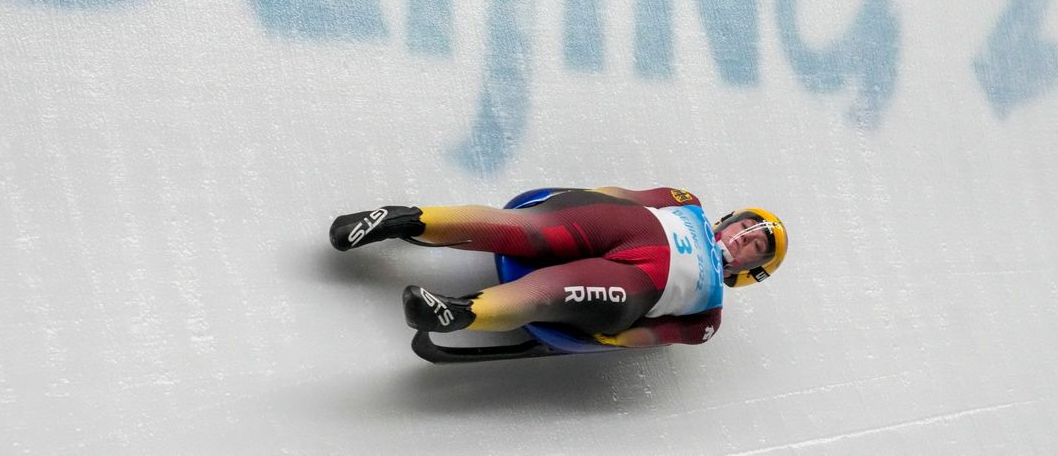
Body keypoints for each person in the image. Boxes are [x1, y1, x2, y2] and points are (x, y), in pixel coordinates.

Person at [328, 186, 787, 347]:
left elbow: (654, 336)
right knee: (525, 230)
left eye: (757, 246)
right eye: (748, 226)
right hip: (614, 224)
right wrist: (571, 196)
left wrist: (609, 338)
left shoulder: (709, 317)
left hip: (633, 284)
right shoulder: (687, 201)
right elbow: (624, 195)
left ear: (753, 270)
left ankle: (460, 313)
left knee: (556, 287)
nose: (745, 238)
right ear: (732, 218)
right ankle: (400, 220)